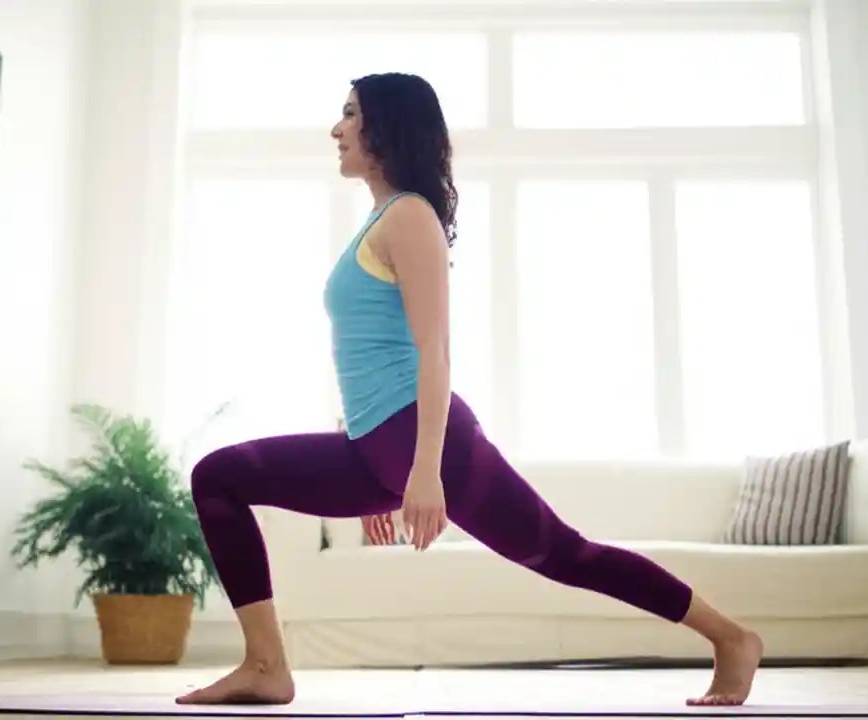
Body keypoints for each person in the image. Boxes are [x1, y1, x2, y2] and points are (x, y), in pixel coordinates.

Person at [177, 72, 763, 708]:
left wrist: (422, 468)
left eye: (349, 114)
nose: (336, 128)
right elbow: (373, 351)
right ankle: (266, 664)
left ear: (386, 128)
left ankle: (731, 639)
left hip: (425, 438)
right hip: (376, 444)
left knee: (566, 555)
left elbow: (435, 352)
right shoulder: (379, 218)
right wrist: (375, 462)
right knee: (219, 477)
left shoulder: (408, 218)